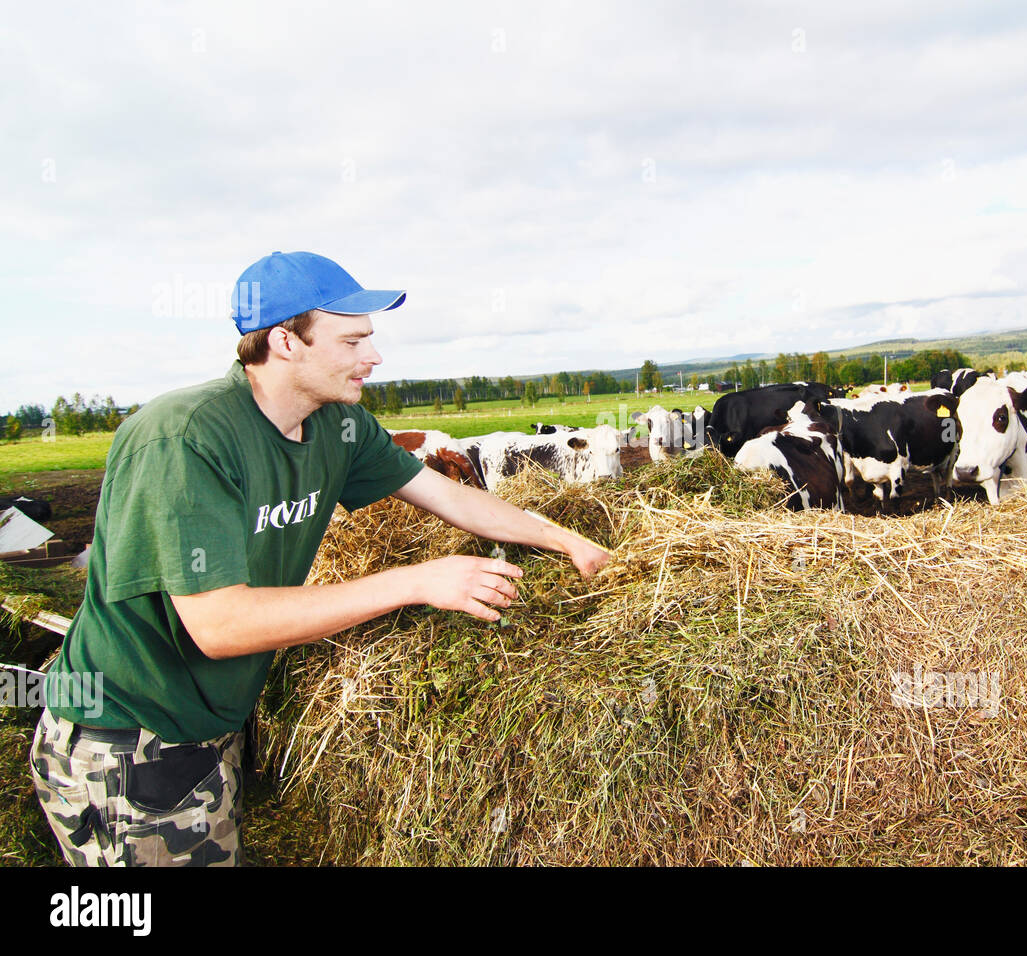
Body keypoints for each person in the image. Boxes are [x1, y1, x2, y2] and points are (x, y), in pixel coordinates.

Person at [29, 251, 611, 866]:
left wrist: (564, 540)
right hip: (132, 736)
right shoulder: (185, 438)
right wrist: (416, 581)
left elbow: (448, 496)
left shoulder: (339, 426)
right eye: (354, 339)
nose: (375, 357)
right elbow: (220, 625)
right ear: (286, 341)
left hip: (212, 722)